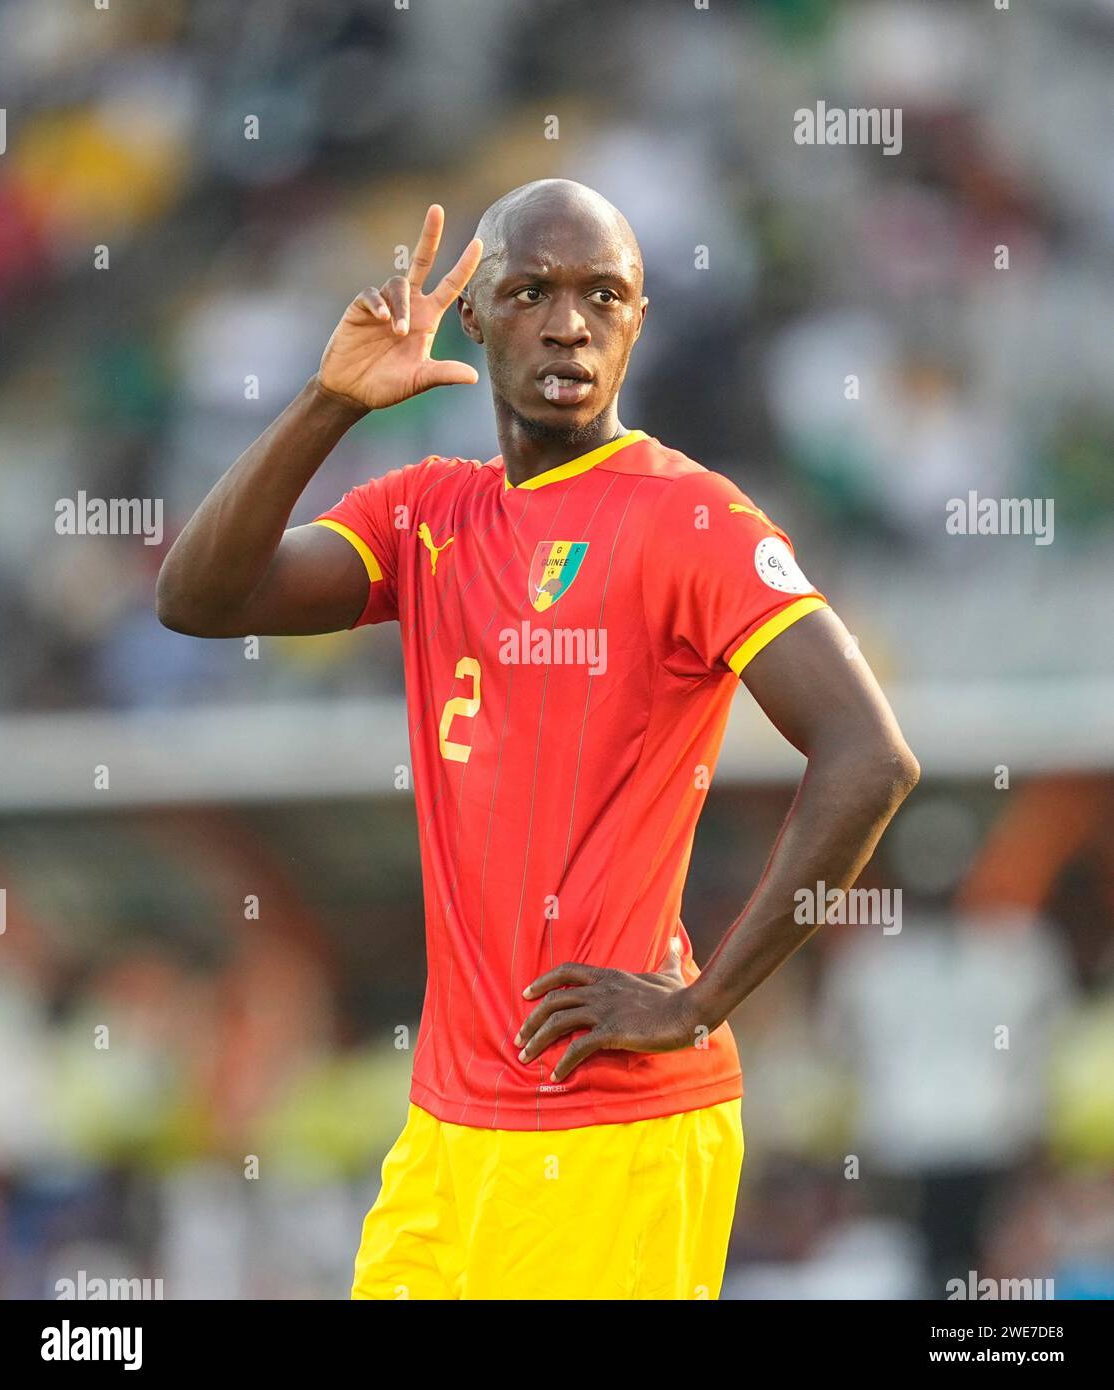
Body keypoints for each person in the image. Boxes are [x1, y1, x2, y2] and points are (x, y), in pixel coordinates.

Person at [156, 181, 919, 1300]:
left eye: (602, 294)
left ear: (638, 321)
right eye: (531, 291)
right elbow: (200, 597)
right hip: (446, 1130)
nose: (569, 321)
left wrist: (697, 1004)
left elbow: (870, 754)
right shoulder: (429, 513)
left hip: (610, 1129)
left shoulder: (689, 519)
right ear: (474, 320)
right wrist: (328, 401)